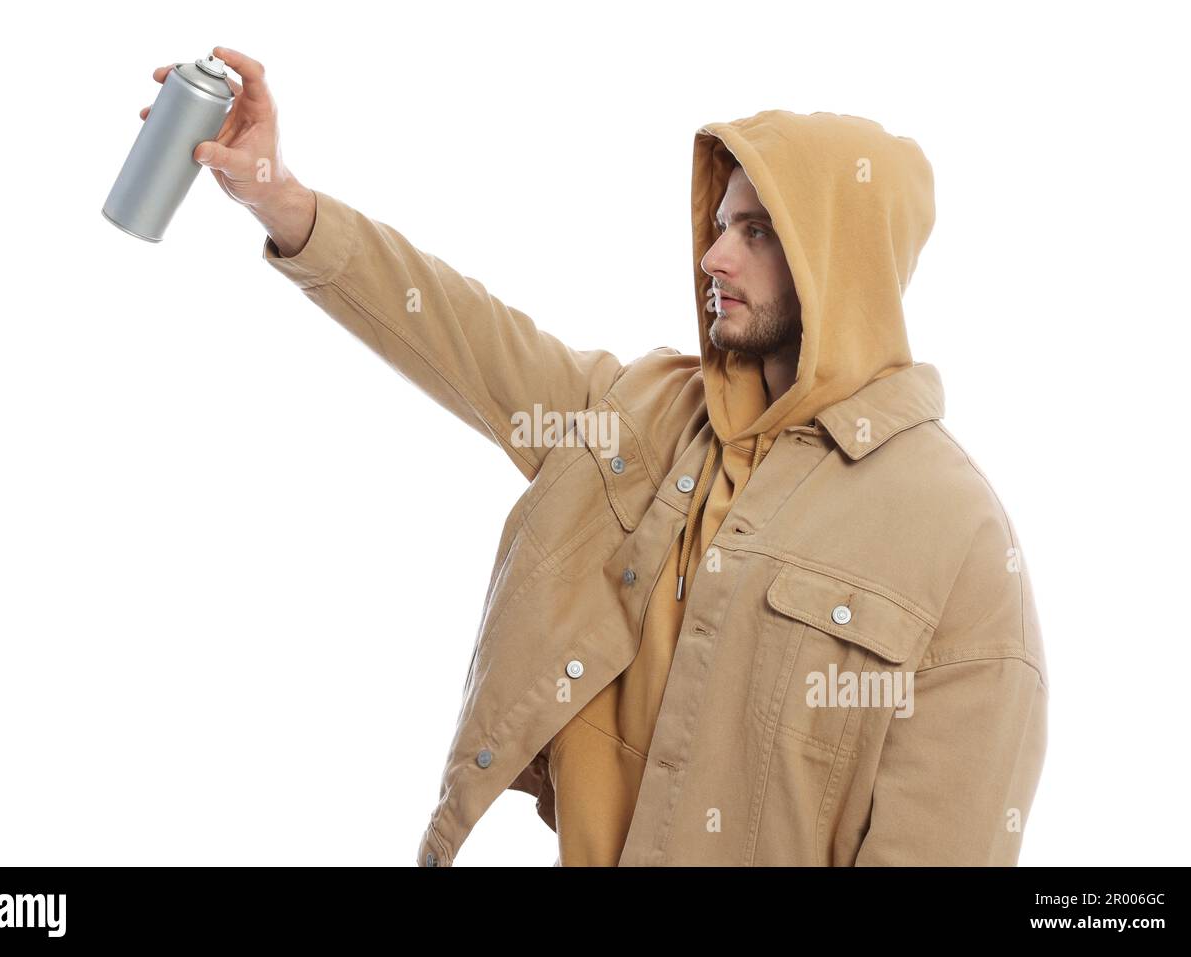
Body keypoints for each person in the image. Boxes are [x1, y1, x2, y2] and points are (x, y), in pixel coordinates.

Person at [148, 47, 1049, 866]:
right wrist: (280, 199)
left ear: (839, 262)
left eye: (758, 232)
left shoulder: (957, 538)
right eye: (720, 224)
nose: (713, 255)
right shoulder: (647, 413)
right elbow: (462, 335)